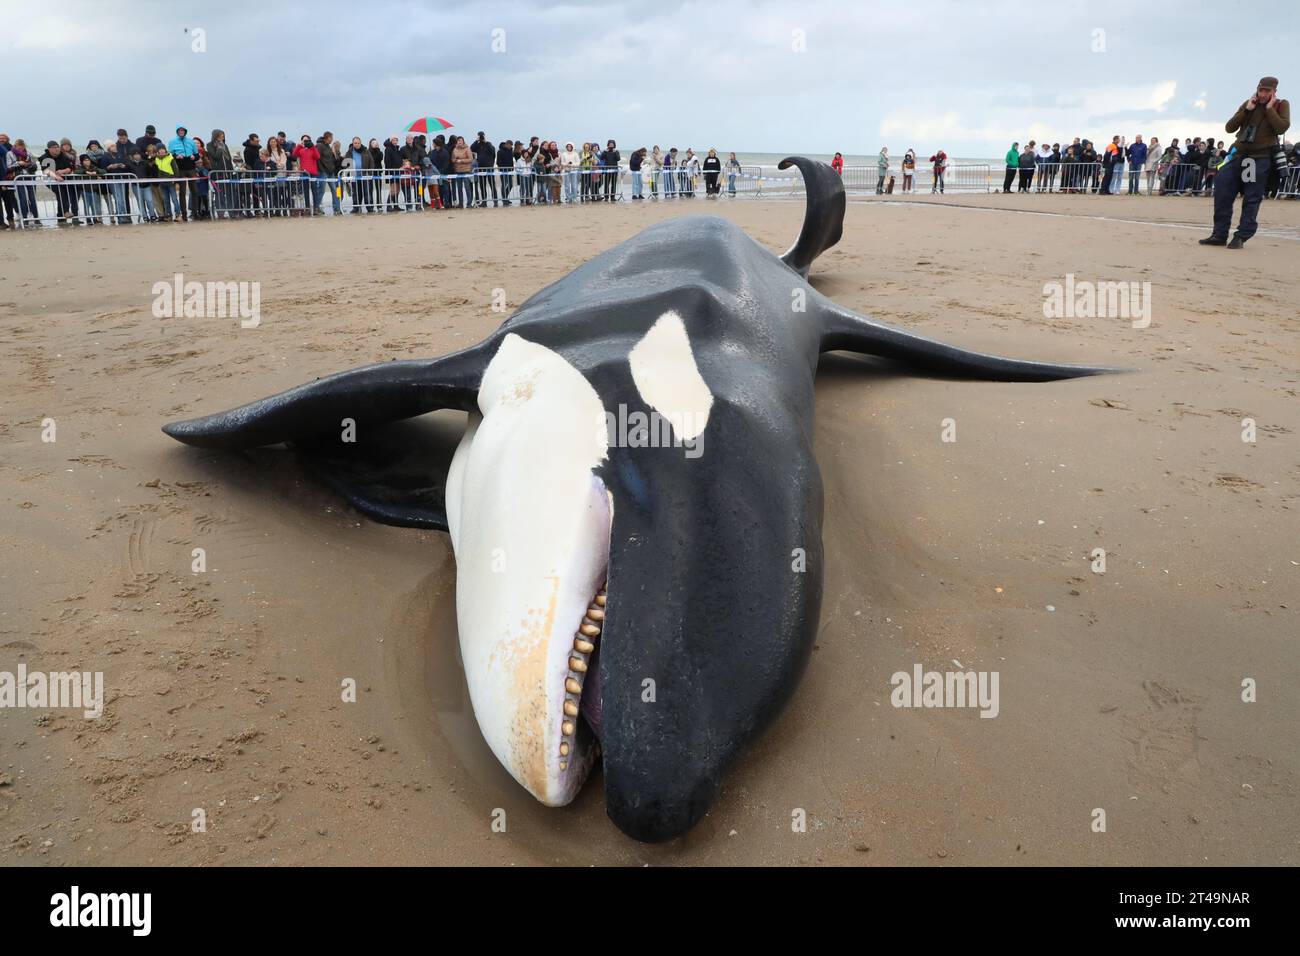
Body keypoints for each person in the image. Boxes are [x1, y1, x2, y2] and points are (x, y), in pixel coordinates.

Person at [1202, 76, 1291, 248]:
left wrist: (1270, 109)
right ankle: (1219, 234)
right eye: (1261, 90)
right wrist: (1247, 110)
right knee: (1222, 190)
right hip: (1238, 156)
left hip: (1259, 159)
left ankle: (1241, 236)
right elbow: (1229, 128)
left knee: (1251, 197)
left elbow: (1282, 127)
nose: (1263, 94)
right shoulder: (1249, 103)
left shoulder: (1282, 104)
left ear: (1274, 92)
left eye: (1267, 91)